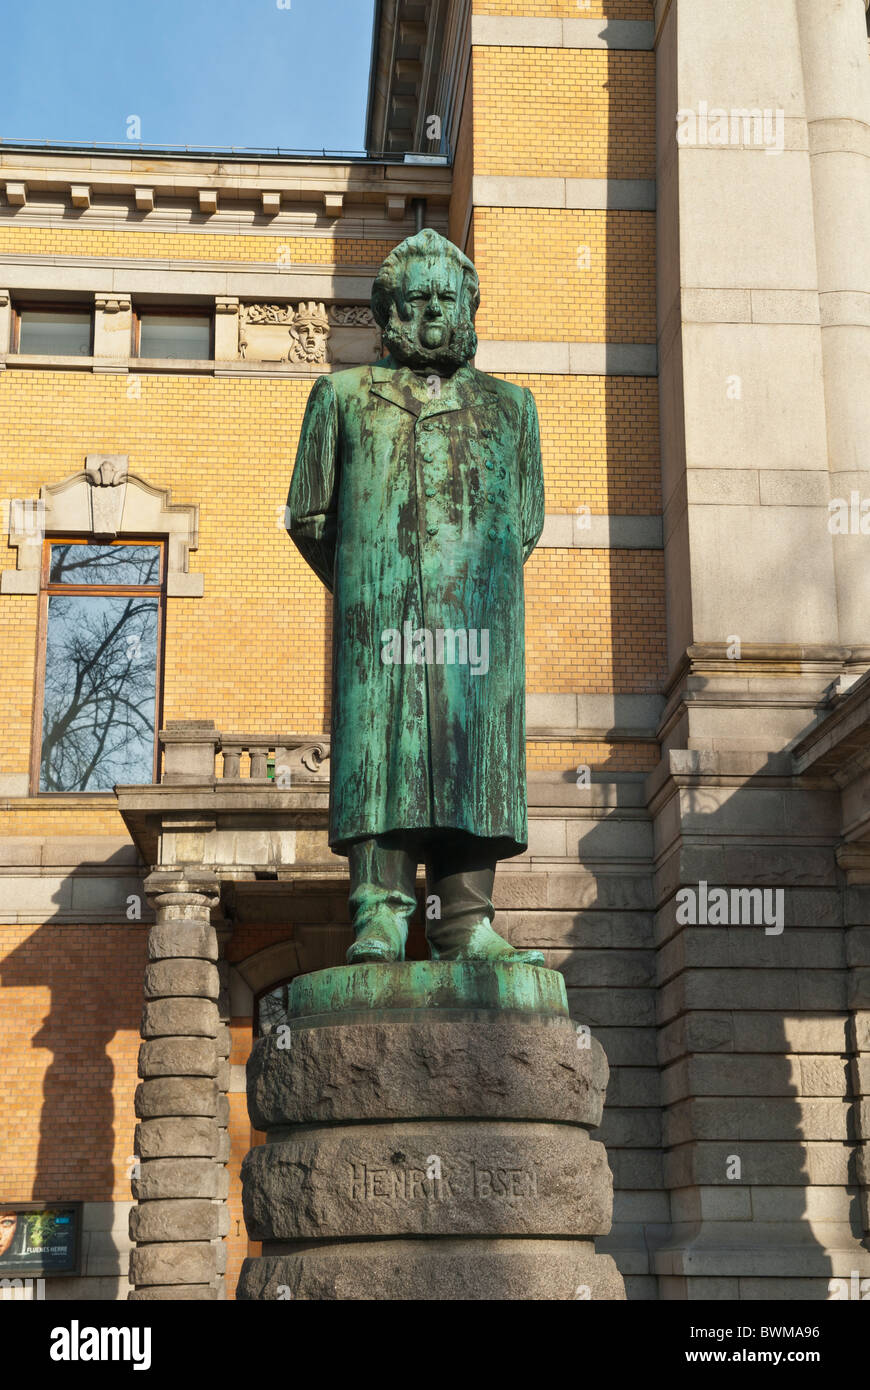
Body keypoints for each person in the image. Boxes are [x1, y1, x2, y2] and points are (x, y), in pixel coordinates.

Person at [287, 229, 545, 967]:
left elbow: (525, 521)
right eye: (417, 298)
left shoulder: (510, 407)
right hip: (380, 620)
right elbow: (310, 514)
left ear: (467, 307)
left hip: (477, 620)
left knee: (475, 768)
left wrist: (465, 583)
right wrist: (370, 587)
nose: (433, 312)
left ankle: (466, 921)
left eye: (446, 297)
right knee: (381, 764)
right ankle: (379, 914)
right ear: (389, 310)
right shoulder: (339, 397)